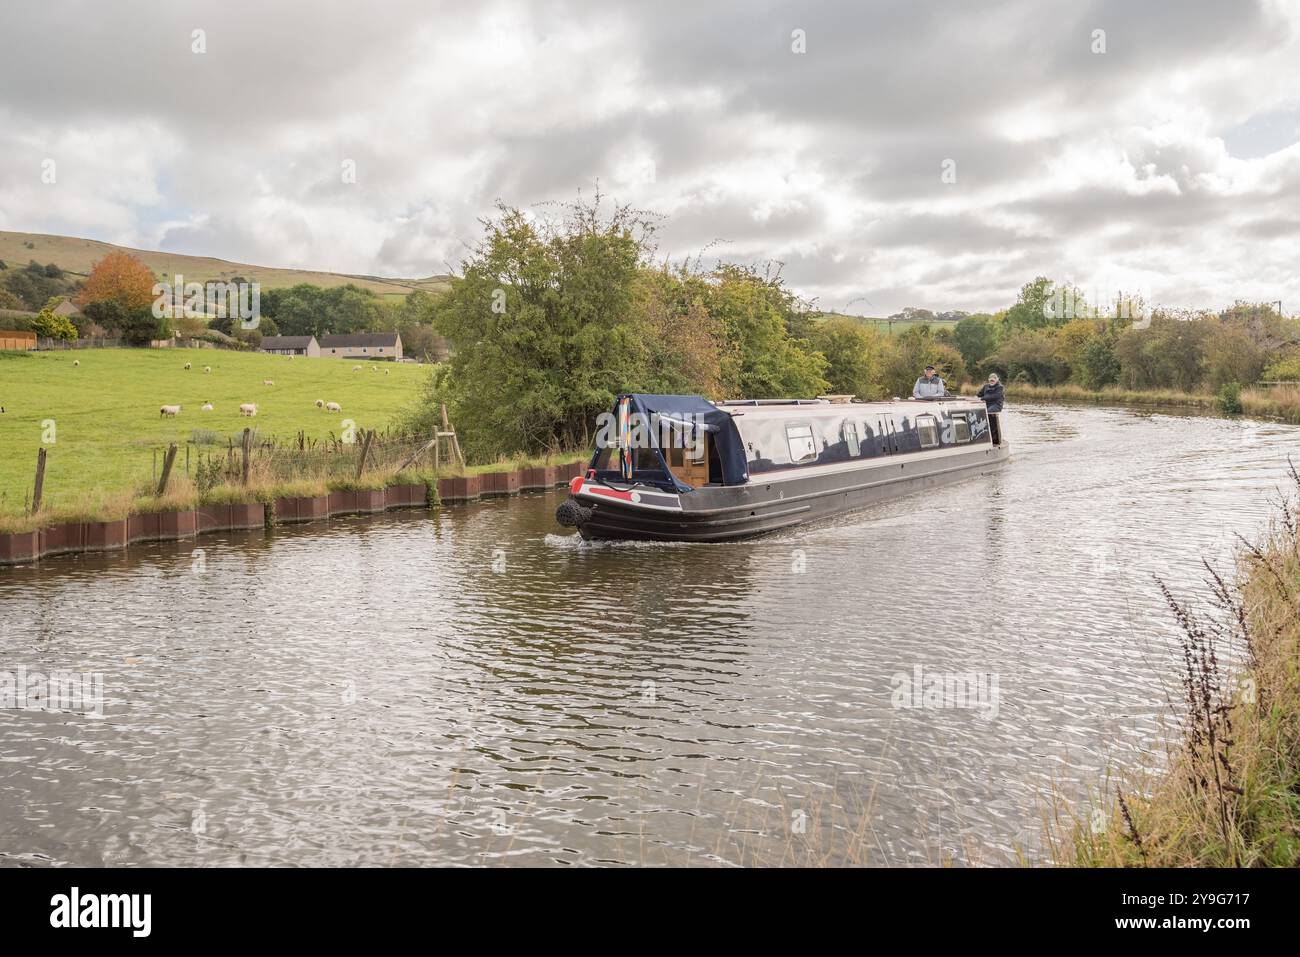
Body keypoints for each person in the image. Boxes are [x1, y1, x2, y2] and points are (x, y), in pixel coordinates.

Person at [977, 373, 1005, 445]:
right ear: (988, 379)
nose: (992, 380)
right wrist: (978, 393)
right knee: (979, 412)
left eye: (994, 379)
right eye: (991, 379)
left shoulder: (1000, 387)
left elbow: (995, 396)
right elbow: (979, 394)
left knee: (988, 413)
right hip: (987, 404)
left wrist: (982, 398)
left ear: (997, 380)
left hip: (996, 404)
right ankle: (981, 434)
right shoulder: (986, 386)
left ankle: (993, 437)